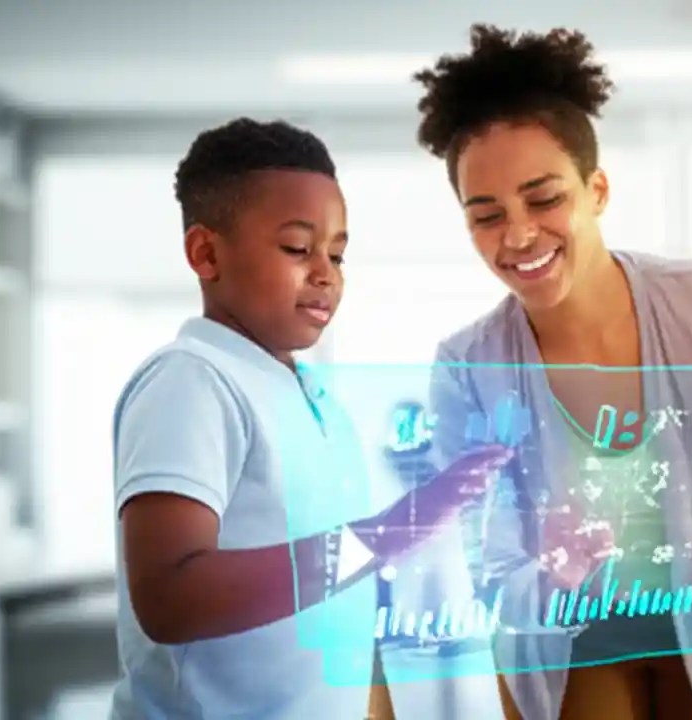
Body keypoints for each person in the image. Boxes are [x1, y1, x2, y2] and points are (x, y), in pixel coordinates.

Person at [404, 25, 692, 720]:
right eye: (486, 215)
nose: (518, 236)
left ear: (596, 190)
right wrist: (558, 575)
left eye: (544, 199)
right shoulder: (468, 368)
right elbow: (492, 577)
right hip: (570, 637)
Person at [110, 118, 510, 719]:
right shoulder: (191, 380)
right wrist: (383, 536)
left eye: (338, 254)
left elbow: (331, 595)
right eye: (298, 249)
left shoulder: (311, 394)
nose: (325, 273)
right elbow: (170, 597)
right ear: (206, 253)